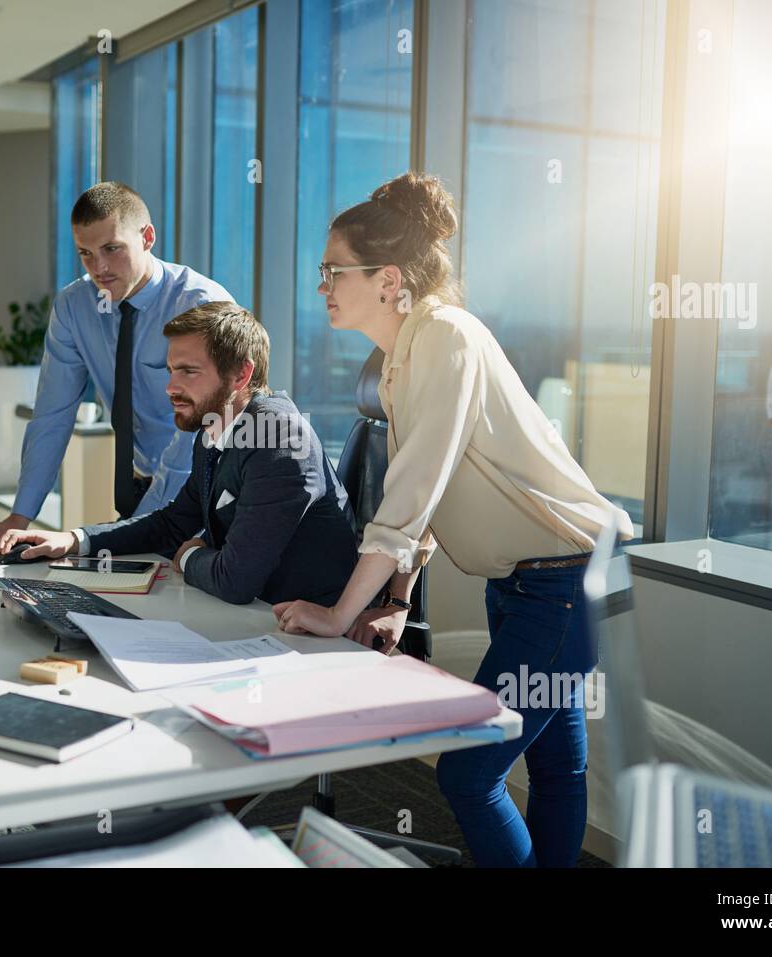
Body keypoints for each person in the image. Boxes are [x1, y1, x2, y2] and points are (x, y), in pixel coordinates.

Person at [273, 172, 634, 867]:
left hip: (567, 583)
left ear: (386, 279)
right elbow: (431, 493)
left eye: (332, 270)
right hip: (528, 587)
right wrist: (397, 601)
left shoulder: (445, 336)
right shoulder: (402, 358)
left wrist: (337, 610)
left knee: (468, 773)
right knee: (557, 769)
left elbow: (406, 495)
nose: (322, 284)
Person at [0, 302, 358, 607]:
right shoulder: (214, 430)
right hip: (254, 621)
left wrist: (188, 555)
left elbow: (234, 581)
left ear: (241, 374)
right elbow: (173, 523)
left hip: (309, 642)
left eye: (189, 371)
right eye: (171, 371)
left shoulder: (277, 438)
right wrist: (75, 540)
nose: (171, 387)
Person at [0, 182, 231, 543]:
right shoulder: (74, 307)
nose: (100, 267)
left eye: (112, 249)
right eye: (86, 253)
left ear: (147, 237)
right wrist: (20, 516)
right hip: (143, 493)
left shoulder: (200, 303)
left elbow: (202, 428)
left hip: (206, 499)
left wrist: (139, 530)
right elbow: (52, 415)